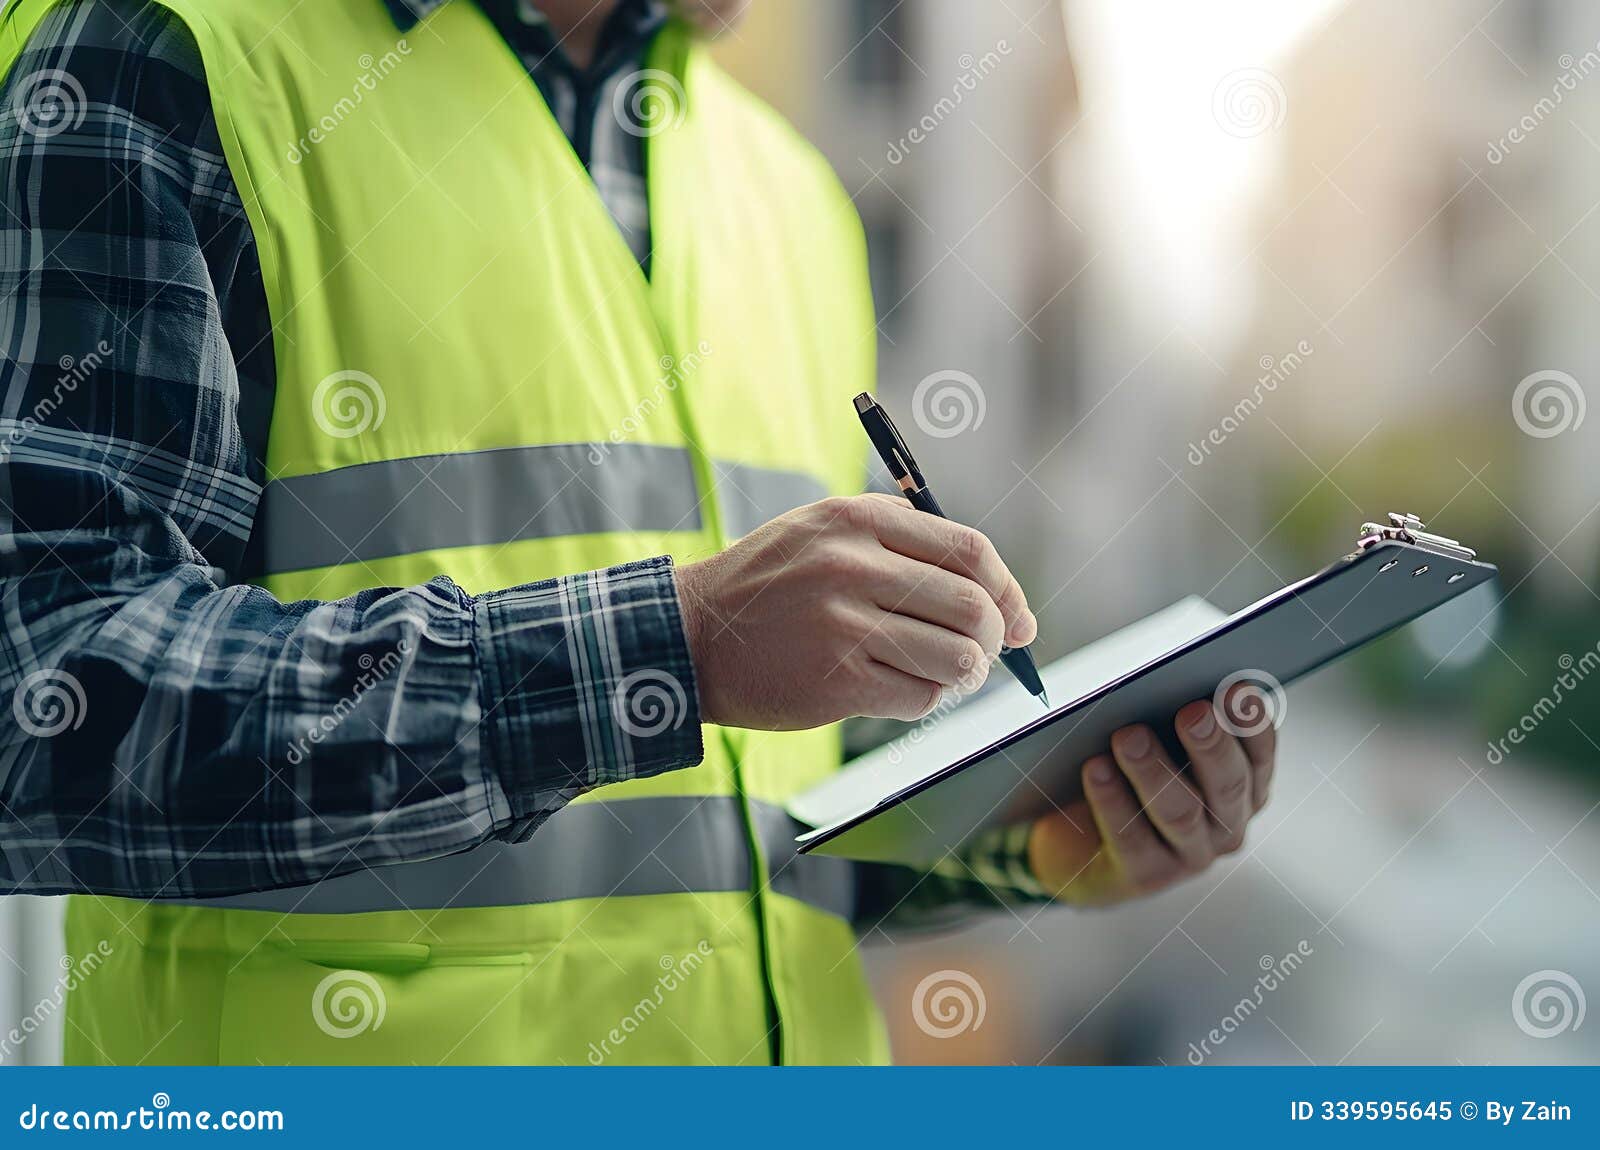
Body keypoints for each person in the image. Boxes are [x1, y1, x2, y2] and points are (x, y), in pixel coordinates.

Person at [0, 0, 1276, 1065]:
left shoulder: (786, 191)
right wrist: (678, 644)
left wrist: (1025, 846)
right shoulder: (156, 60)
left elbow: (740, 844)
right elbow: (40, 704)